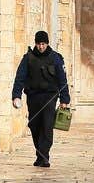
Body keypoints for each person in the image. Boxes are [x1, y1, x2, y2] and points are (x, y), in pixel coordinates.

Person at [12, 30, 70, 167]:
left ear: (47, 43)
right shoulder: (28, 58)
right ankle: (40, 155)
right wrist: (16, 95)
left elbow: (62, 79)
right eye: (38, 44)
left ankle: (44, 156)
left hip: (50, 97)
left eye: (43, 44)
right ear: (35, 44)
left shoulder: (55, 58)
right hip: (33, 96)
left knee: (47, 126)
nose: (41, 47)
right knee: (34, 125)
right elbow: (20, 77)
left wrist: (64, 100)